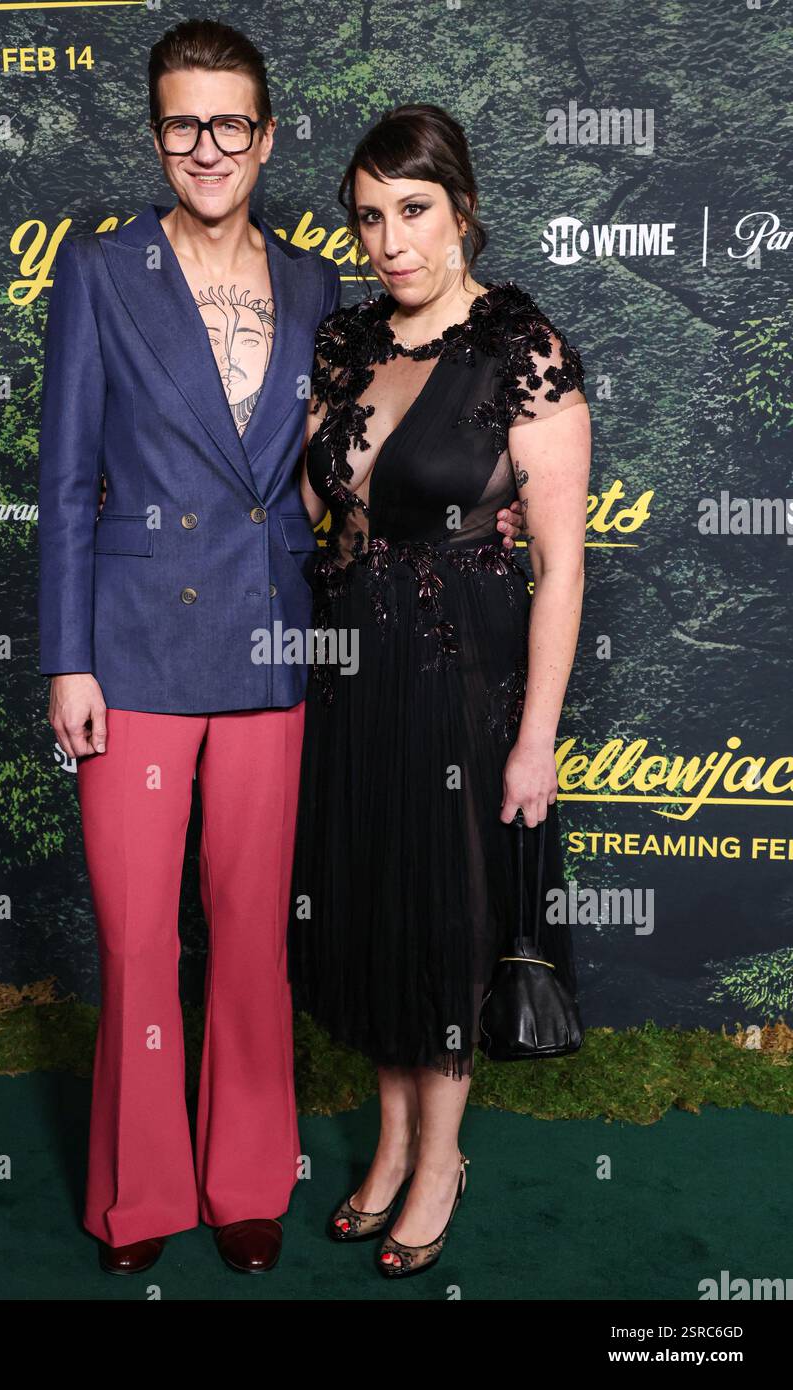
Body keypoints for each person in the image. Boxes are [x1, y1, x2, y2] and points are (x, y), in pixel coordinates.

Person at [37, 18, 531, 1278]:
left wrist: (470, 504)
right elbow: (61, 483)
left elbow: (357, 457)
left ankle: (249, 1178)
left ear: (266, 135)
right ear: (157, 134)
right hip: (132, 652)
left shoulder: (323, 287)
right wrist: (64, 658)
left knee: (252, 932)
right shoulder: (98, 273)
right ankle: (140, 1196)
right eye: (181, 123)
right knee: (143, 940)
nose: (207, 147)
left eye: (231, 123)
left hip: (274, 652)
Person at [288, 103, 591, 1279]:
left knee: (447, 909)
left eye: (412, 210)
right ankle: (396, 1133)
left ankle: (442, 1157)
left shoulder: (525, 348)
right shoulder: (348, 341)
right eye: (368, 217)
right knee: (371, 898)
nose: (390, 239)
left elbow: (561, 566)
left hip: (465, 665)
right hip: (350, 665)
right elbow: (328, 509)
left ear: (460, 206)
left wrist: (537, 739)